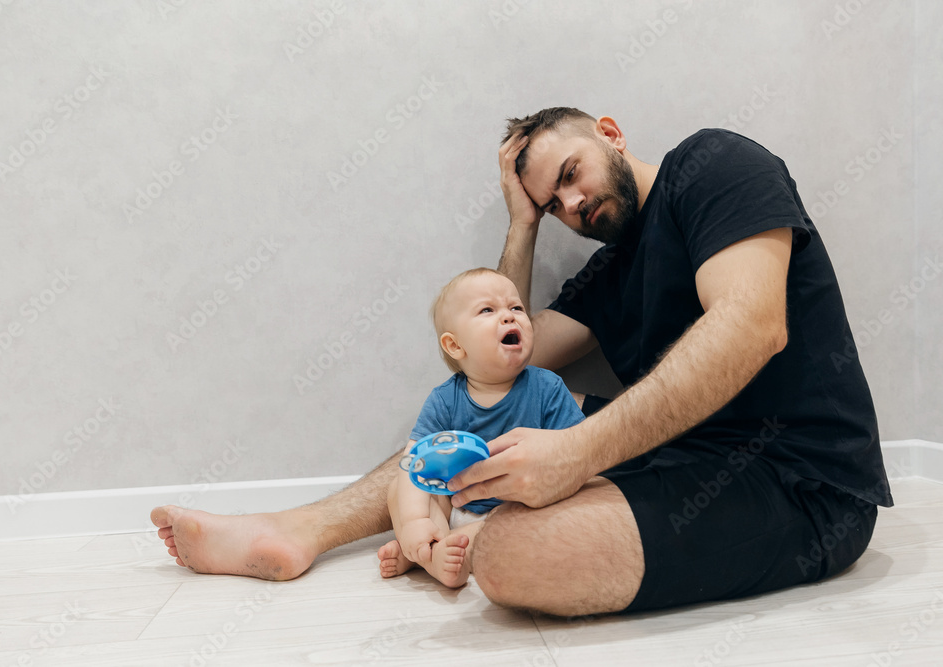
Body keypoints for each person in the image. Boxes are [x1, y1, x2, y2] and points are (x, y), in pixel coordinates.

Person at [151, 107, 893, 617]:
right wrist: (521, 220)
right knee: (473, 419)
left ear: (609, 132)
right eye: (556, 203)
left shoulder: (715, 165)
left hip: (801, 485)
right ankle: (297, 529)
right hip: (681, 456)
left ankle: (453, 525)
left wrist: (575, 452)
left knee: (507, 560)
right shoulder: (610, 269)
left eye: (572, 173)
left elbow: (751, 327)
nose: (574, 203)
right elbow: (503, 350)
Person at [377, 267, 584, 588]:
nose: (509, 316)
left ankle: (430, 556)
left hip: (515, 509)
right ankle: (425, 543)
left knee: (526, 523)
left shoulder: (548, 389)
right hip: (456, 504)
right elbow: (414, 463)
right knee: (399, 488)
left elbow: (576, 453)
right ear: (455, 346)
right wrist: (417, 521)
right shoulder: (445, 400)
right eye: (488, 310)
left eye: (516, 308)